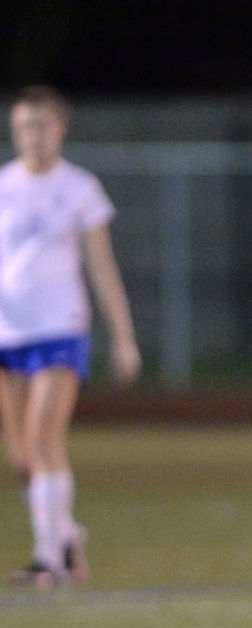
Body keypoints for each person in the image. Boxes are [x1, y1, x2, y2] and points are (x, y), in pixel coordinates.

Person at [1, 85, 141, 589]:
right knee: (21, 456)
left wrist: (123, 337)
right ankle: (65, 537)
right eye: (23, 126)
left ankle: (50, 559)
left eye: (41, 125)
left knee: (44, 438)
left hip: (59, 327)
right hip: (8, 332)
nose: (32, 136)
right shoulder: (4, 185)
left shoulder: (79, 188)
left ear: (59, 129)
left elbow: (101, 266)